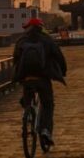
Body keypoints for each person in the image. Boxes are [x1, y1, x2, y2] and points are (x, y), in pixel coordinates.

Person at [14, 18, 68, 146]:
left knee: (27, 98)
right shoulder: (47, 40)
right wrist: (63, 71)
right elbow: (59, 56)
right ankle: (45, 130)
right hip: (43, 78)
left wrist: (18, 75)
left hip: (27, 78)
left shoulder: (21, 41)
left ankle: (28, 112)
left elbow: (16, 59)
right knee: (48, 104)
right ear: (41, 27)